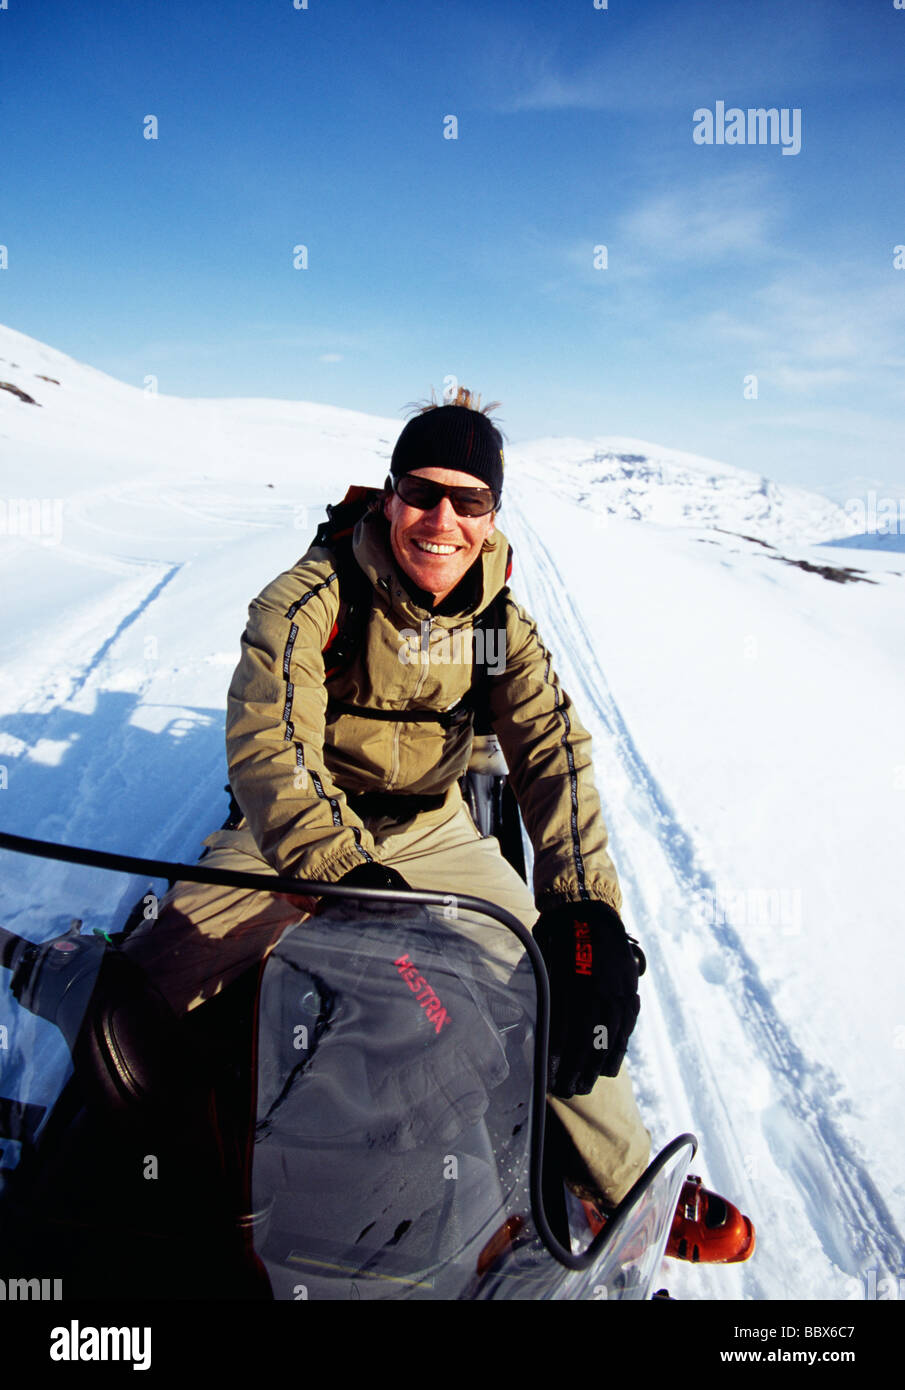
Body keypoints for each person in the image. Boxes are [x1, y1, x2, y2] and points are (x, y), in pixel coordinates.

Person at [125, 388, 754, 1259]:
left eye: (470, 501)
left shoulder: (491, 624)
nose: (441, 520)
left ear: (492, 515)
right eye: (423, 492)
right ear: (388, 494)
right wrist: (338, 872)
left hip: (433, 829)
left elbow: (550, 752)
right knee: (142, 995)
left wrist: (585, 911)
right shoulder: (316, 597)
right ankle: (176, 1186)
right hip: (302, 836)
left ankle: (628, 1188)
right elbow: (270, 744)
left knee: (551, 986)